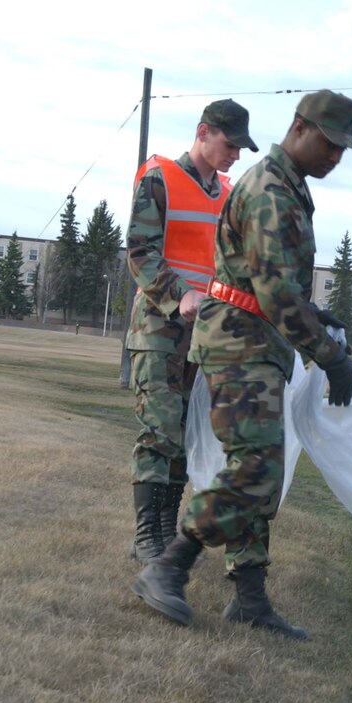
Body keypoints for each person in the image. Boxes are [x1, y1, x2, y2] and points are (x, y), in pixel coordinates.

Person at [132, 89, 352, 640]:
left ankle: (250, 598)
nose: (334, 157)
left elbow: (273, 285)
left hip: (258, 342)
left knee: (259, 468)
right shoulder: (271, 192)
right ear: (301, 128)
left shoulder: (283, 187)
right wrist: (330, 358)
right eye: (330, 145)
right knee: (255, 472)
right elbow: (276, 294)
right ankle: (170, 565)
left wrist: (314, 316)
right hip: (239, 345)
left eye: (343, 150)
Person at [126, 99, 258, 566]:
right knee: (159, 430)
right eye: (230, 144)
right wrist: (177, 294)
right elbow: (140, 250)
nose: (236, 155)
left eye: (242, 148)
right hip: (160, 329)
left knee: (186, 434)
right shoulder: (159, 178)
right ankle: (146, 535)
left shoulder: (226, 194)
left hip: (206, 336)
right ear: (204, 132)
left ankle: (165, 530)